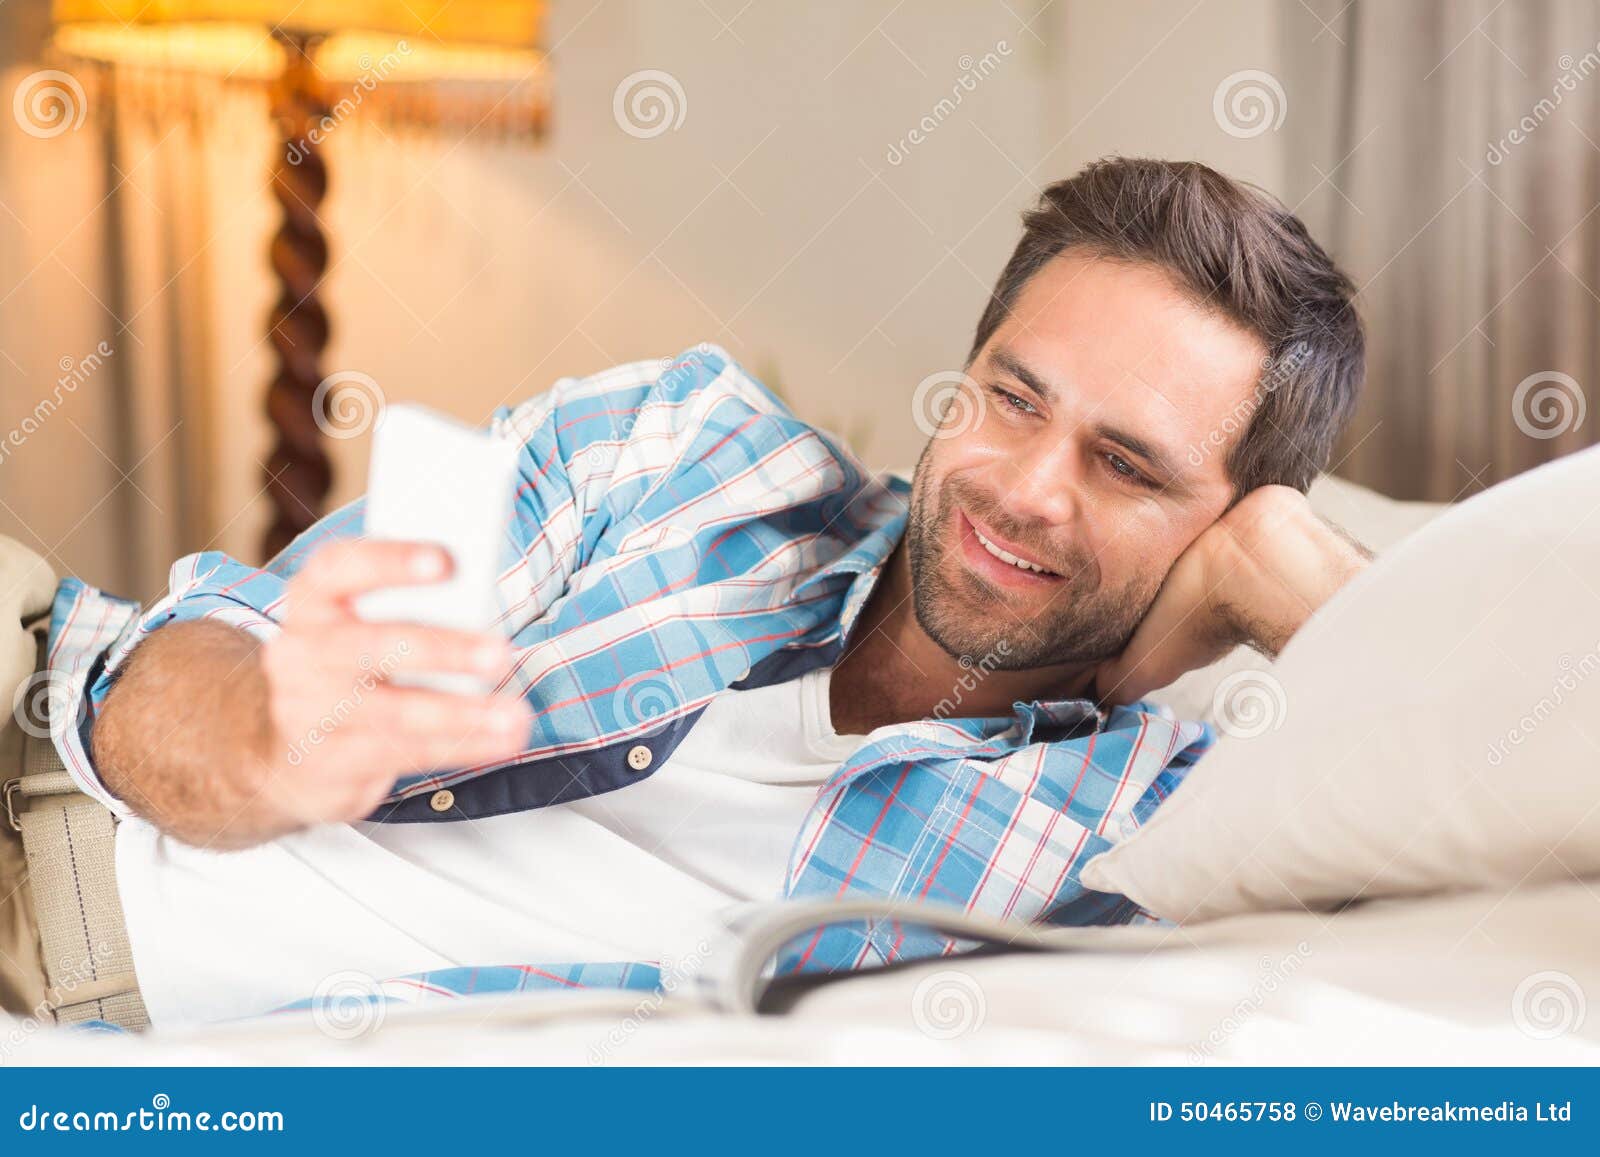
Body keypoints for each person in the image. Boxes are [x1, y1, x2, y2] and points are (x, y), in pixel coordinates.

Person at [12, 157, 1370, 1027]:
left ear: (1233, 520)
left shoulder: (1156, 822)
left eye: (1125, 464)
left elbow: (1542, 804)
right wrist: (263, 734)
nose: (1025, 486)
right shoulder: (687, 450)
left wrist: (1300, 582)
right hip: (48, 802)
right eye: (1012, 398)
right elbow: (163, 673)